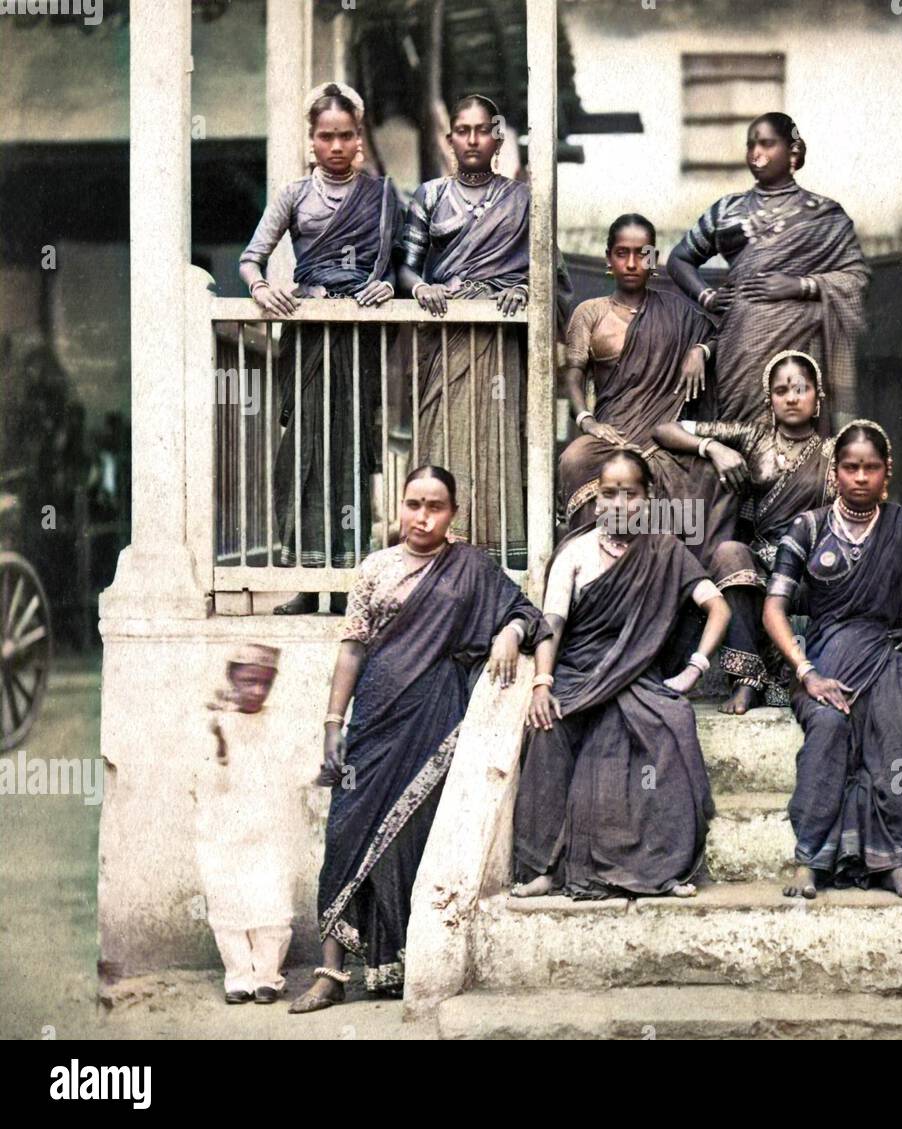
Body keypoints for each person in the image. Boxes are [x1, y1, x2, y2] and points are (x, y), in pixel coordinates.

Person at [288, 465, 548, 1011]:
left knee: (410, 839)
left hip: (434, 720)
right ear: (399, 506)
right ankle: (330, 973)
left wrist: (508, 631)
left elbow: (527, 611)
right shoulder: (375, 569)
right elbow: (353, 647)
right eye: (412, 504)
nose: (421, 517)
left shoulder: (471, 566)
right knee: (345, 833)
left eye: (434, 507)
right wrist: (333, 723)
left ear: (453, 514)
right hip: (375, 719)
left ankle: (398, 966)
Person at [511, 450, 729, 900]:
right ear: (595, 499)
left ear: (647, 499)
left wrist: (694, 669)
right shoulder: (574, 553)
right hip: (577, 676)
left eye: (630, 494)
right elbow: (551, 626)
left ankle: (660, 866)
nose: (618, 504)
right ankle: (544, 868)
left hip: (636, 680)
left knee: (670, 731)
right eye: (608, 494)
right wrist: (542, 683)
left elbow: (718, 607)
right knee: (547, 730)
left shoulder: (666, 551)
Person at [762, 421, 902, 900]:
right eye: (851, 467)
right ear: (835, 474)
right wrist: (806, 673)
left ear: (886, 473)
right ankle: (809, 859)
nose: (861, 477)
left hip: (884, 656)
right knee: (828, 730)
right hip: (823, 660)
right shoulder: (807, 529)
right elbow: (773, 609)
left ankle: (894, 862)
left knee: (895, 736)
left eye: (871, 468)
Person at [239, 81, 403, 613]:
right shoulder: (293, 196)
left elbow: (402, 264)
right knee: (309, 449)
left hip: (358, 339)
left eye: (347, 136)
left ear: (359, 139)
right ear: (311, 140)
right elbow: (251, 258)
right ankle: (310, 583)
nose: (337, 146)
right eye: (326, 136)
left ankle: (355, 582)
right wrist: (263, 288)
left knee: (352, 448)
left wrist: (392, 286)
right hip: (311, 338)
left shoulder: (382, 196)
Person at [654, 349, 835, 713]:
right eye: (782, 391)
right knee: (728, 554)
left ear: (818, 396)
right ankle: (747, 682)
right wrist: (712, 447)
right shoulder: (751, 437)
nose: (792, 397)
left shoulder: (834, 451)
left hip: (811, 570)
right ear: (770, 400)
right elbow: (664, 430)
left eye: (801, 388)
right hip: (762, 566)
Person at [398, 95, 535, 568]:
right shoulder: (430, 196)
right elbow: (407, 270)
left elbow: (545, 275)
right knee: (439, 440)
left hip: (498, 345)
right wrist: (419, 291)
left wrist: (522, 288)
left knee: (496, 442)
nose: (473, 139)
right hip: (444, 338)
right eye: (463, 130)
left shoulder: (521, 200)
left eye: (482, 130)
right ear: (449, 137)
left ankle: (496, 563)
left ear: (497, 137)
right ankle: (435, 555)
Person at [667, 112, 869, 423]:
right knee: (742, 440)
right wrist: (707, 296)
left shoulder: (825, 215)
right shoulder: (728, 210)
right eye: (751, 146)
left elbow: (856, 278)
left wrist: (798, 286)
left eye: (766, 144)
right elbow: (679, 259)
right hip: (740, 347)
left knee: (796, 437)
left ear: (793, 151)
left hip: (800, 345)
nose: (755, 154)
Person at [559, 213, 736, 560]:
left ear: (654, 259)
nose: (631, 262)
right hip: (611, 437)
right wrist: (588, 421)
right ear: (609, 257)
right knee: (573, 458)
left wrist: (700, 350)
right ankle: (595, 560)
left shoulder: (678, 313)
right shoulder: (589, 313)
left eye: (642, 254)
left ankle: (685, 570)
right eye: (622, 253)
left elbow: (723, 336)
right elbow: (573, 373)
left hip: (662, 439)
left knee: (713, 475)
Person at [196, 644, 304, 1004]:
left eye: (264, 683)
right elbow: (204, 773)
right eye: (248, 682)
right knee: (228, 902)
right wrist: (218, 738)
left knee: (270, 901)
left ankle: (267, 977)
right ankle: (238, 977)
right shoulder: (215, 722)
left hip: (271, 830)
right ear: (232, 679)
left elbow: (296, 769)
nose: (256, 691)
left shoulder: (280, 722)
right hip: (224, 831)